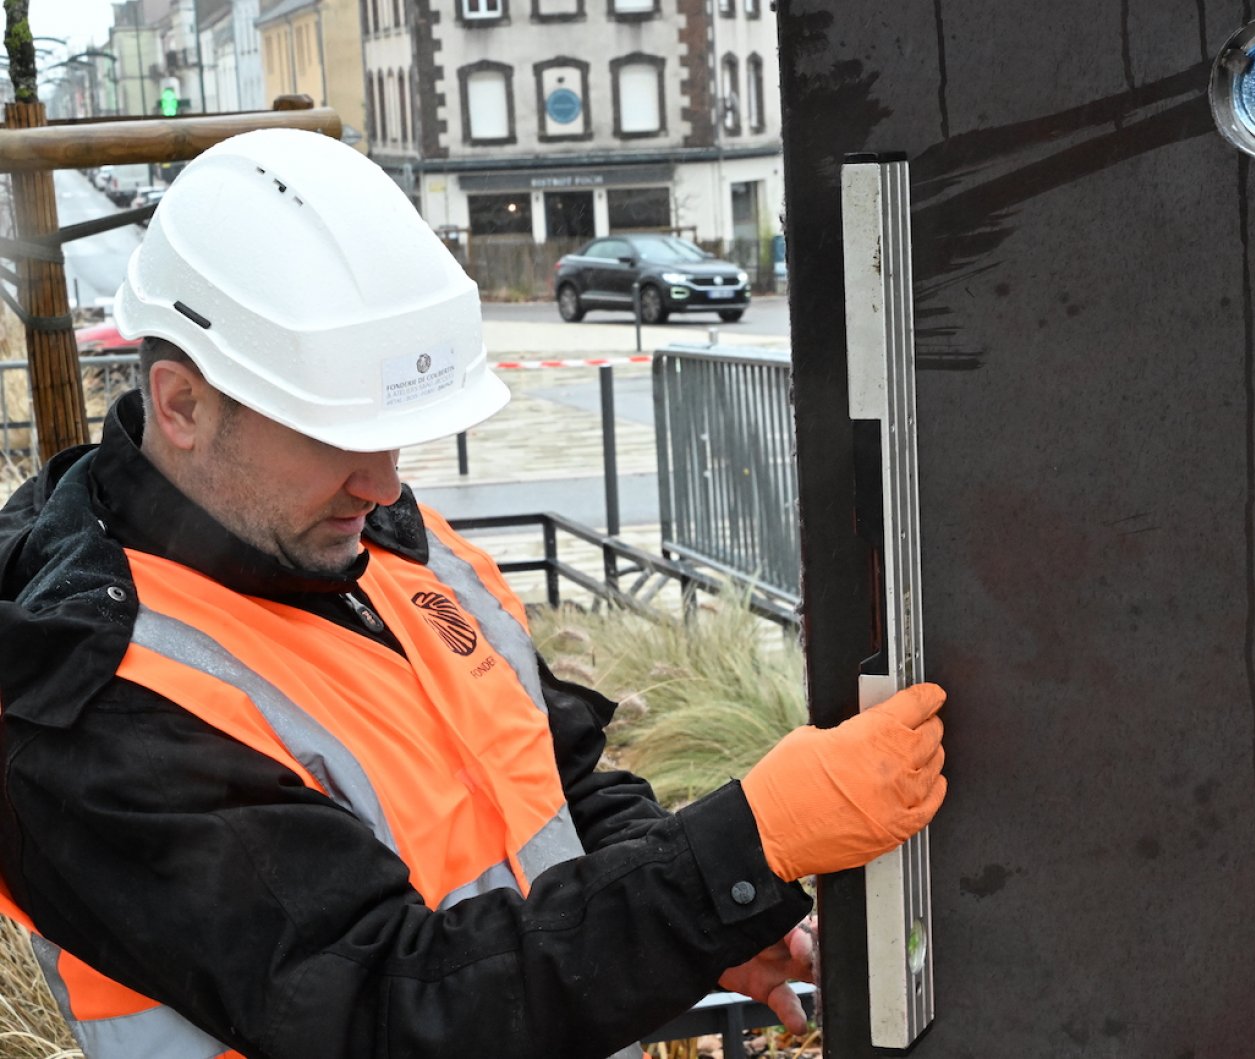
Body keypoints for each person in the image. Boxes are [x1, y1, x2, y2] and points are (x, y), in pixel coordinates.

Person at [0, 129, 947, 1059]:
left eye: (394, 435)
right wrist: (744, 848)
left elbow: (559, 785)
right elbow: (384, 1005)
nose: (381, 483)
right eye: (337, 438)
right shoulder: (91, 703)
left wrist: (702, 920)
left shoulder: (384, 543)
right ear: (183, 405)